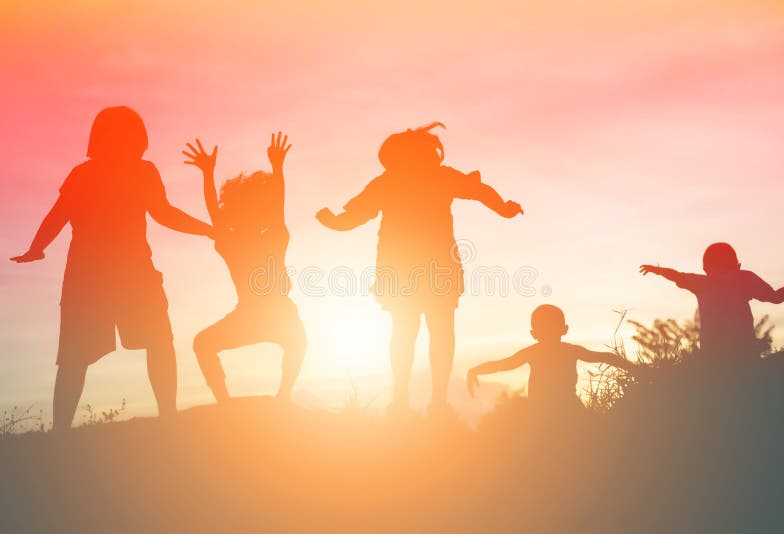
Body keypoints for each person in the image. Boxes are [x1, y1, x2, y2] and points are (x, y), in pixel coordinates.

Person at [10, 106, 214, 431]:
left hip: (122, 277)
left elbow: (163, 213)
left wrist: (207, 229)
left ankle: (165, 420)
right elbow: (58, 216)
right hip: (95, 281)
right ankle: (65, 431)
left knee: (154, 342)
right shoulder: (89, 174)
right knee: (79, 358)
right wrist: (37, 248)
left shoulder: (136, 172)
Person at [316, 122, 523, 415]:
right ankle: (420, 399)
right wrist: (503, 207)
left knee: (411, 330)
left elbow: (354, 215)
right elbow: (479, 191)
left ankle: (417, 399)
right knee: (427, 330)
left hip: (413, 267)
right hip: (420, 268)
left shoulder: (398, 180)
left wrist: (333, 221)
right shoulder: (420, 178)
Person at [184, 133, 306, 403]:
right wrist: (276, 167)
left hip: (278, 315)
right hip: (252, 316)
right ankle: (227, 403)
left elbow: (275, 207)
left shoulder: (266, 237)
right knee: (202, 344)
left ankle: (282, 396)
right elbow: (218, 214)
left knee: (297, 341)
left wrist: (277, 168)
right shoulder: (238, 241)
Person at [641, 242, 784, 361]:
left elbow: (676, 275)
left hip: (713, 359)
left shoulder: (701, 283)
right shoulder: (744, 278)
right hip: (745, 355)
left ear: (706, 268)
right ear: (737, 265)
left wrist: (657, 270)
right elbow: (777, 297)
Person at [467, 304, 634, 413]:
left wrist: (475, 371)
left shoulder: (538, 352)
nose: (548, 333)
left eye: (550, 328)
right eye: (545, 329)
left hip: (553, 411)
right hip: (556, 410)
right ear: (564, 329)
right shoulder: (568, 351)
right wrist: (636, 369)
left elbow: (503, 365)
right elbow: (604, 357)